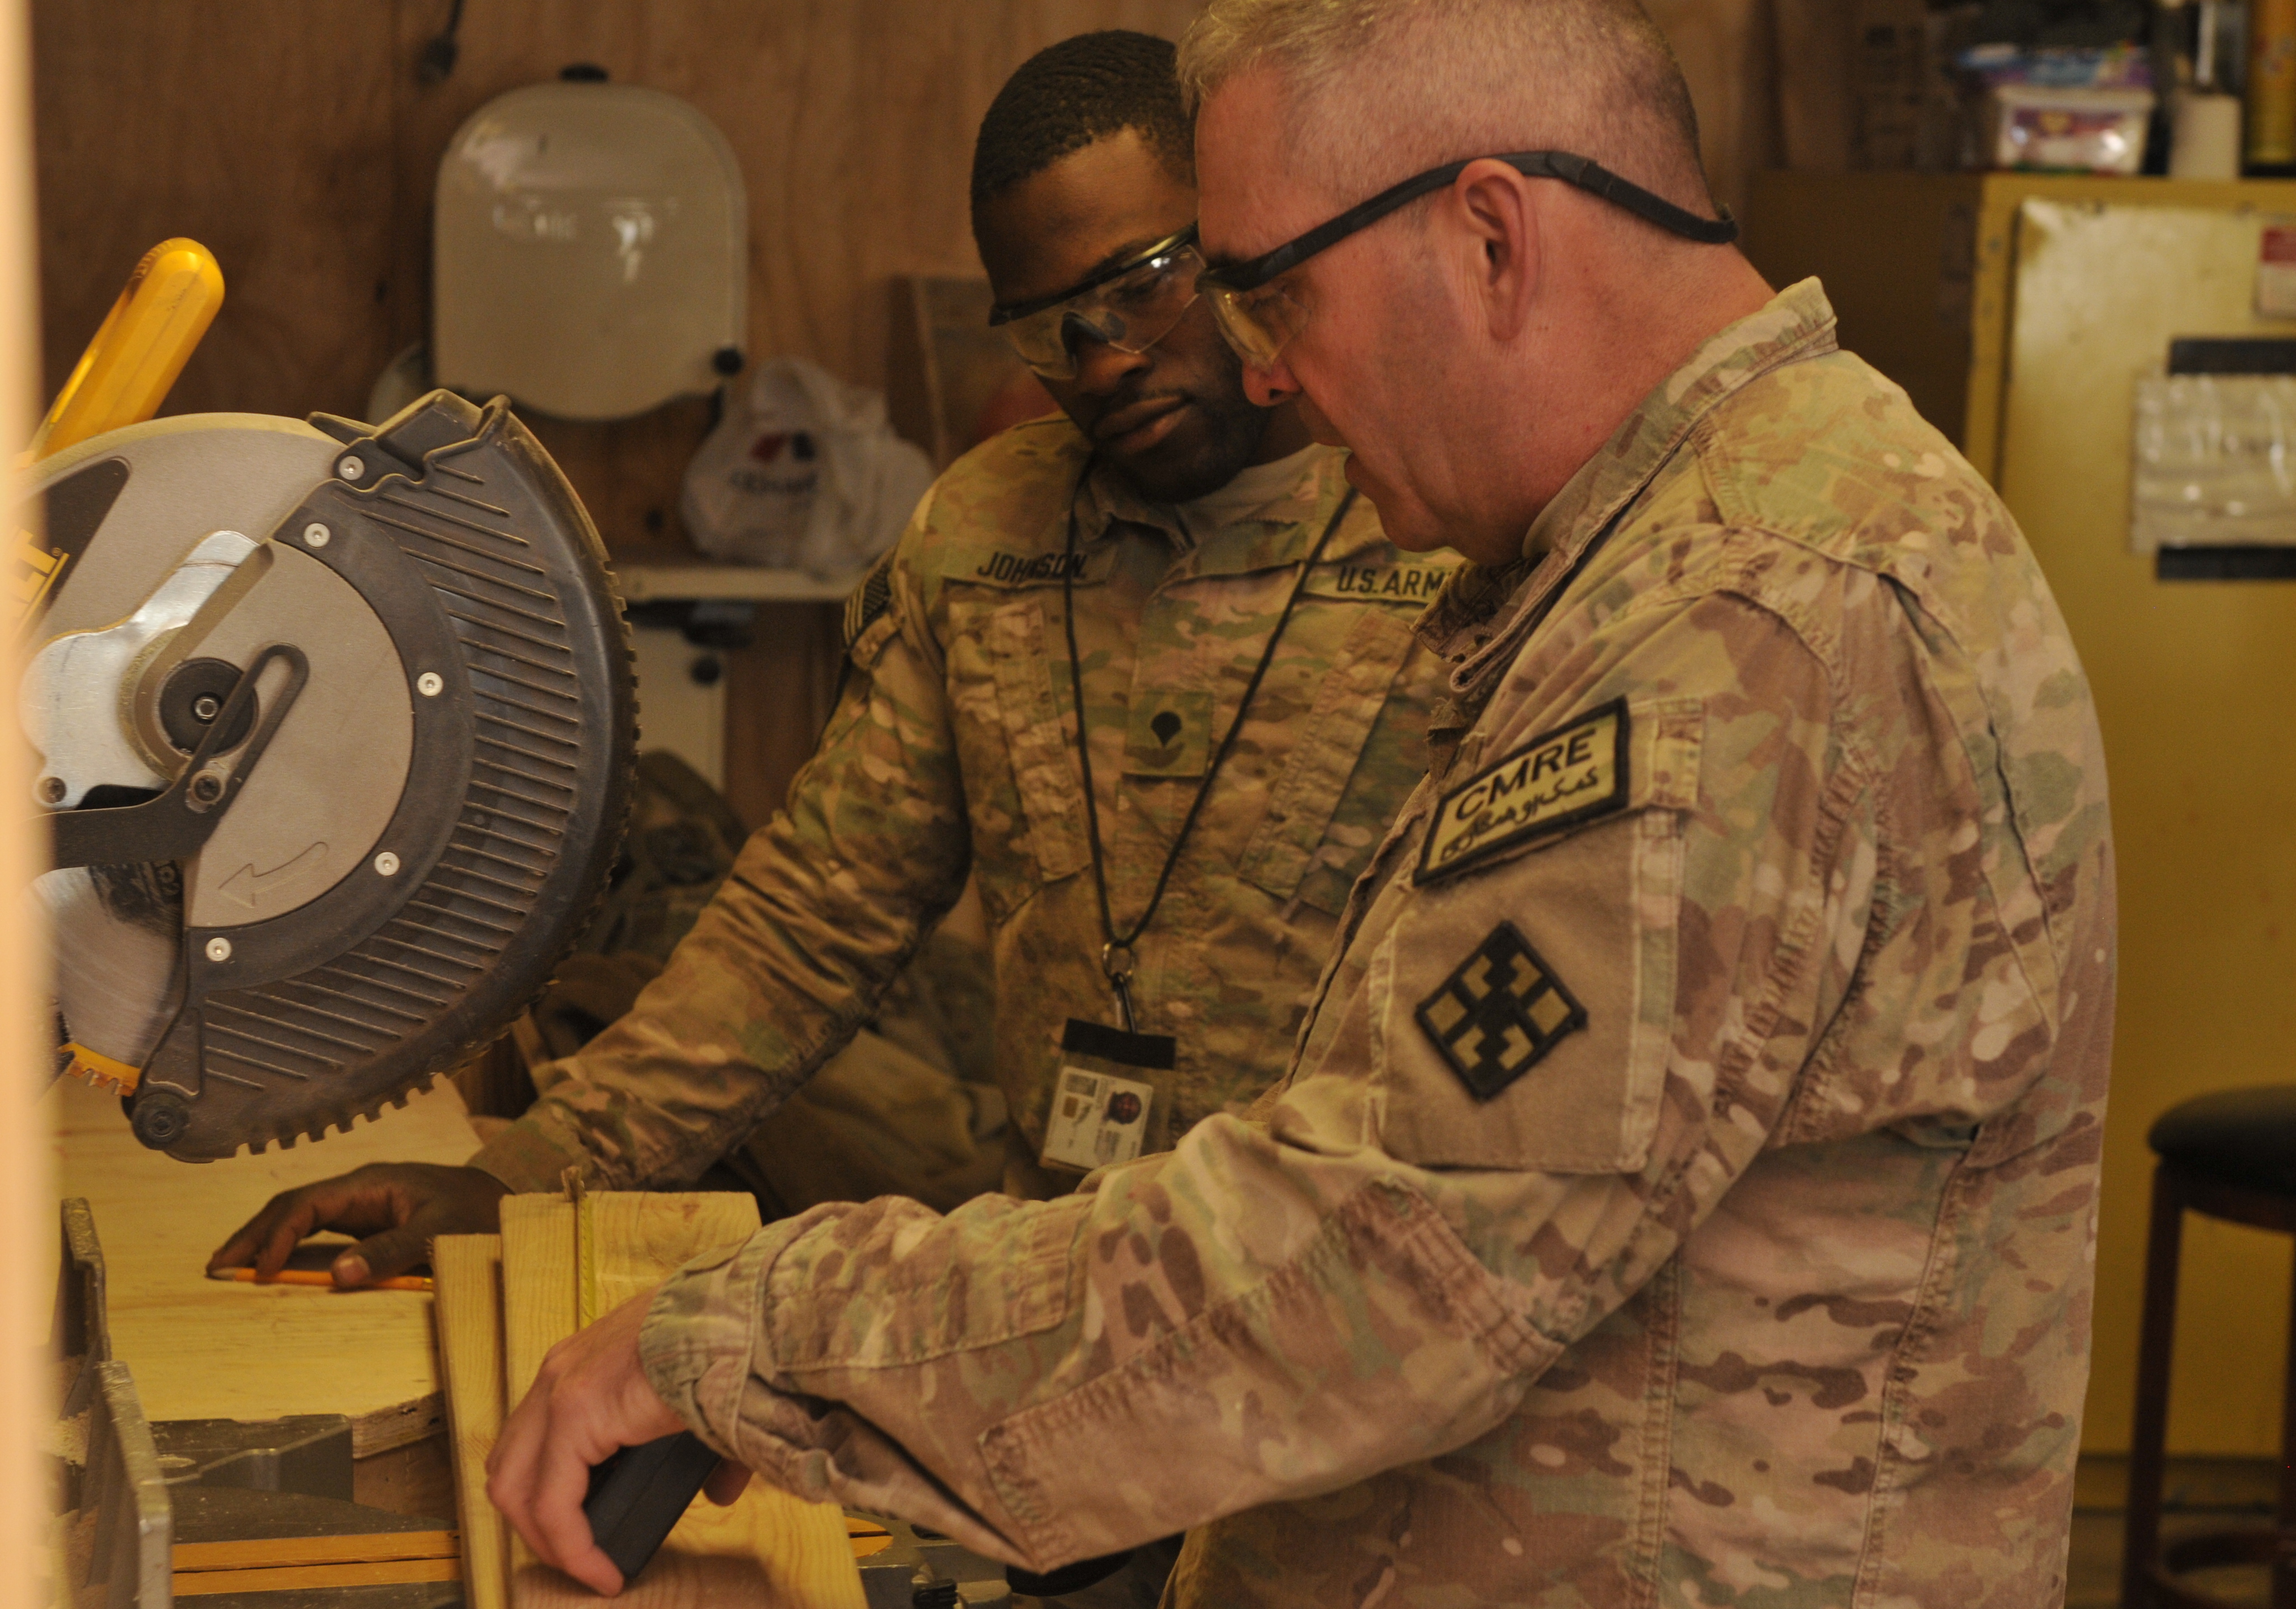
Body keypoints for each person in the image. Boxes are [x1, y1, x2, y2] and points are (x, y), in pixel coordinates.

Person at [485, 3, 2118, 1604]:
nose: (1270, 372)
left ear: (1492, 238)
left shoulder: (1739, 619)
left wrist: (762, 1335)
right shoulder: (1662, 552)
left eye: (1272, 294)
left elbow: (1384, 1265)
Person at [214, 11, 1453, 1520]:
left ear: (1242, 233)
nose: (1105, 357)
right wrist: (536, 1167)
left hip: (1373, 1370)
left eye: (1146, 282)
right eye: (1047, 324)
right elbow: (816, 912)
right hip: (1076, 1347)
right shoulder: (989, 537)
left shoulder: (1432, 501)